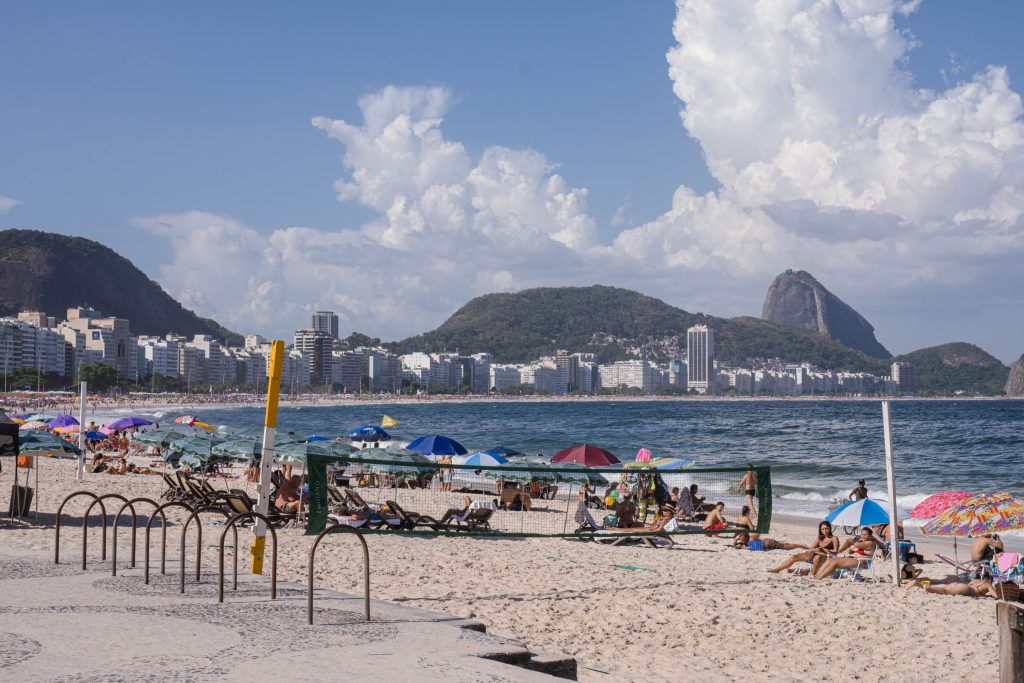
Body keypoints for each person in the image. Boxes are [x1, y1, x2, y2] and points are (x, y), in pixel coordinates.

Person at [814, 526, 882, 579]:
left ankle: (820, 577)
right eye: (862, 534)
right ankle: (817, 575)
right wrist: (851, 549)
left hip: (861, 562)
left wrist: (855, 543)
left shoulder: (870, 543)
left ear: (870, 535)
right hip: (853, 558)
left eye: (865, 534)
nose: (863, 536)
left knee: (835, 562)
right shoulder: (862, 542)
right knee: (830, 559)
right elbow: (850, 551)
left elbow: (854, 544)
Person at [768, 521, 835, 574]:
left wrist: (825, 550)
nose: (825, 531)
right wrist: (819, 549)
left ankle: (812, 573)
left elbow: (836, 552)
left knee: (817, 558)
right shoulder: (819, 538)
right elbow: (811, 548)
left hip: (825, 556)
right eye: (822, 529)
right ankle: (778, 569)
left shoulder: (834, 539)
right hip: (814, 554)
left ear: (830, 529)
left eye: (826, 529)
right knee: (795, 556)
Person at [905, 575, 999, 598]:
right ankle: (923, 586)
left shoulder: (976, 580)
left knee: (944, 587)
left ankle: (920, 583)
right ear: (989, 579)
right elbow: (996, 596)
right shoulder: (987, 584)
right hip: (966, 589)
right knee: (946, 592)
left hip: (960, 585)